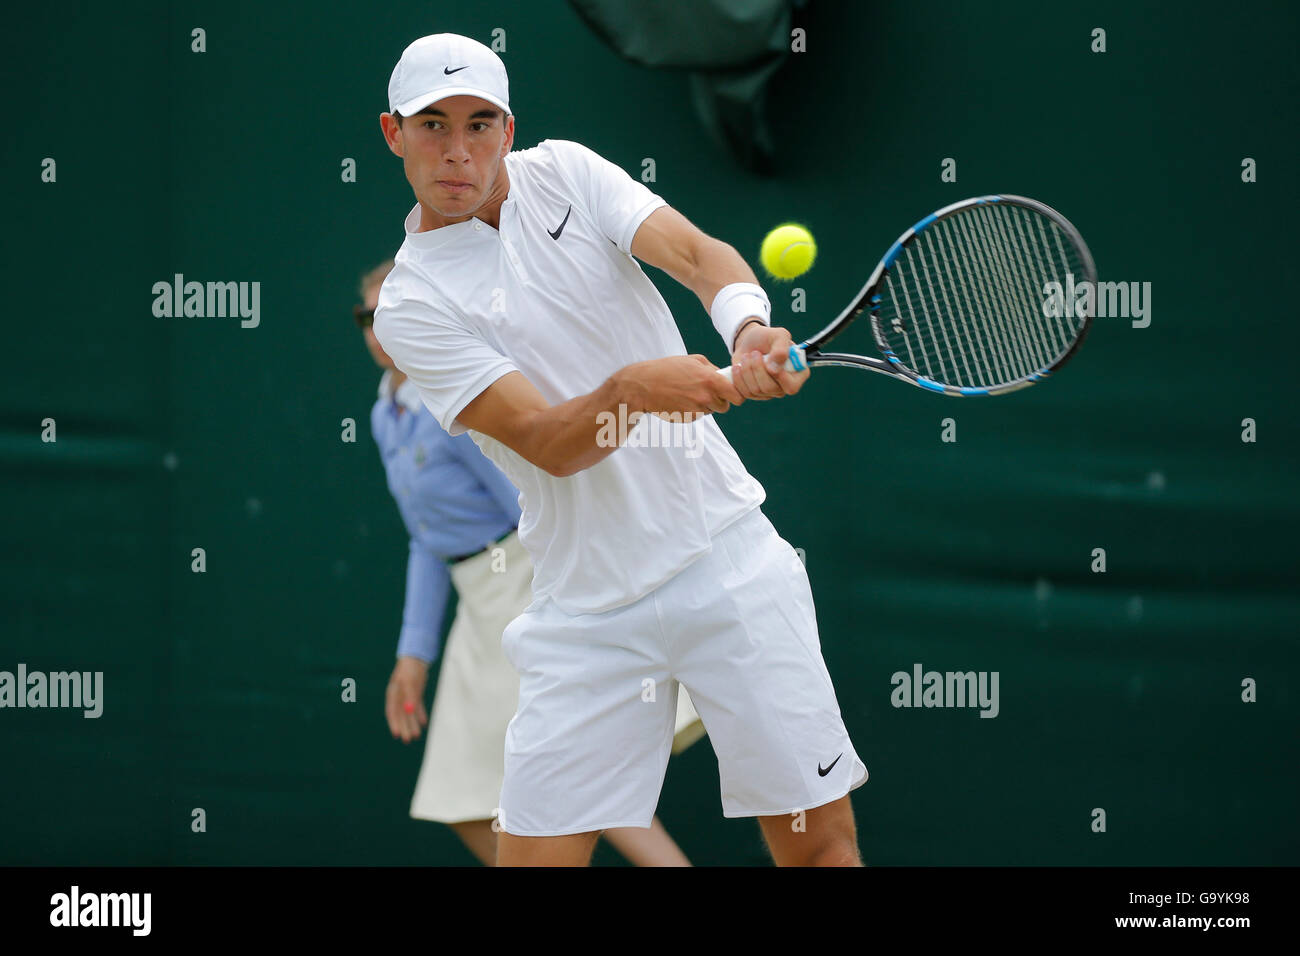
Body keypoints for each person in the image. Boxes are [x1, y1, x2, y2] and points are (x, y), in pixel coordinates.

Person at [373, 33, 867, 867]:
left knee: (817, 848)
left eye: (480, 124)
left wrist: (745, 330)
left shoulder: (564, 169)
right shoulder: (410, 304)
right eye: (433, 126)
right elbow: (543, 441)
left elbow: (698, 256)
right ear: (393, 133)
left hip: (729, 563)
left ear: (509, 126)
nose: (459, 152)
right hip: (583, 612)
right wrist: (636, 390)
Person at [356, 260, 706, 866]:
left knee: (581, 768)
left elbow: (530, 499)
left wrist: (572, 593)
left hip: (527, 580)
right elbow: (426, 540)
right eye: (366, 317)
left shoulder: (455, 409)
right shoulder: (384, 416)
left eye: (388, 312)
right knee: (464, 791)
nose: (377, 327)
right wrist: (413, 655)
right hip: (479, 604)